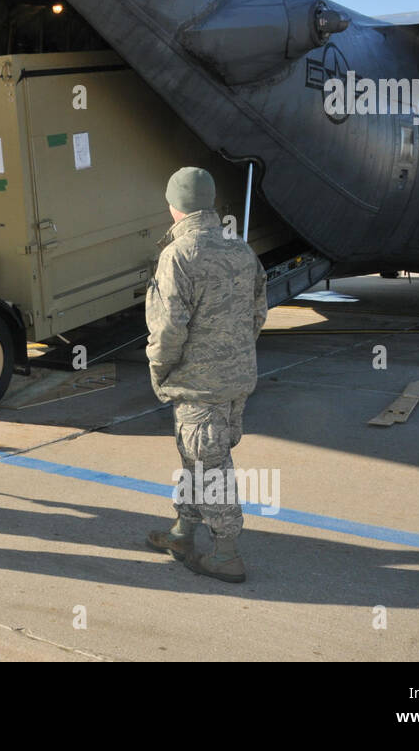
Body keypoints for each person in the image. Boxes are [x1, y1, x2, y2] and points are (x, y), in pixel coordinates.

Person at [143, 167, 267, 583]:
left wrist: (159, 367)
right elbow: (258, 313)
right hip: (234, 380)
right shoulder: (241, 249)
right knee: (196, 458)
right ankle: (183, 532)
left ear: (173, 205)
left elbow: (168, 328)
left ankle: (226, 553)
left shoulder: (179, 254)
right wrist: (233, 355)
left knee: (211, 467)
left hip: (199, 385)